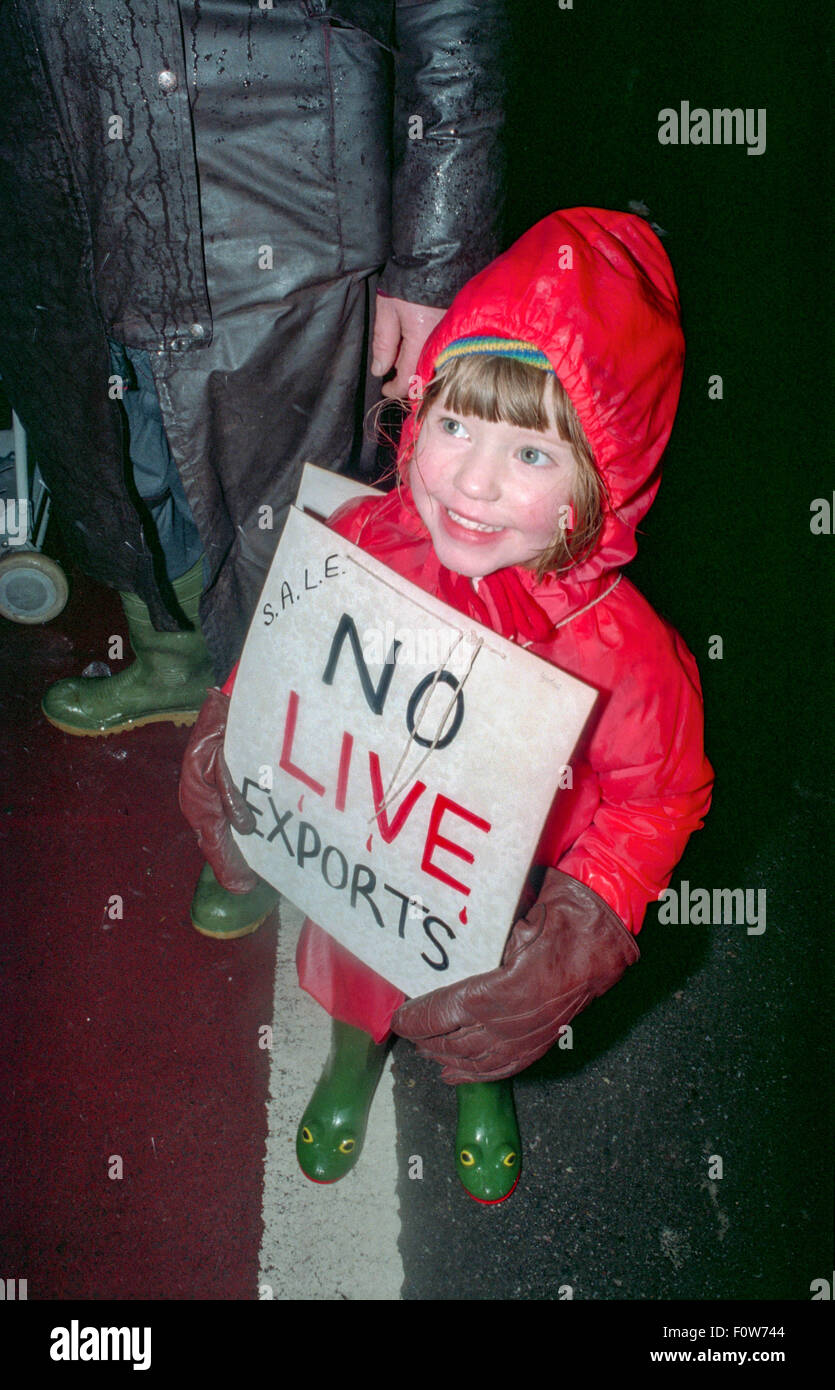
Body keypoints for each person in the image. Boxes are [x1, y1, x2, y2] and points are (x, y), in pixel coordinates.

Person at [179, 207, 714, 1204]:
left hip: (514, 881)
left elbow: (660, 792)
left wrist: (579, 923)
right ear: (418, 413)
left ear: (605, 483)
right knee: (351, 968)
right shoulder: (374, 533)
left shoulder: (624, 647)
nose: (469, 480)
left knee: (489, 1006)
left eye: (531, 454)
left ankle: (483, 1087)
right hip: (368, 840)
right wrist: (236, 715)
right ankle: (348, 1064)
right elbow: (296, 640)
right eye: (457, 423)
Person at [0, 0, 507, 724]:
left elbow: (453, 17)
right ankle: (178, 663)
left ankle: (293, 732)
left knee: (298, 508)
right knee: (127, 463)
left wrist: (434, 256)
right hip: (59, 184)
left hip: (280, 184)